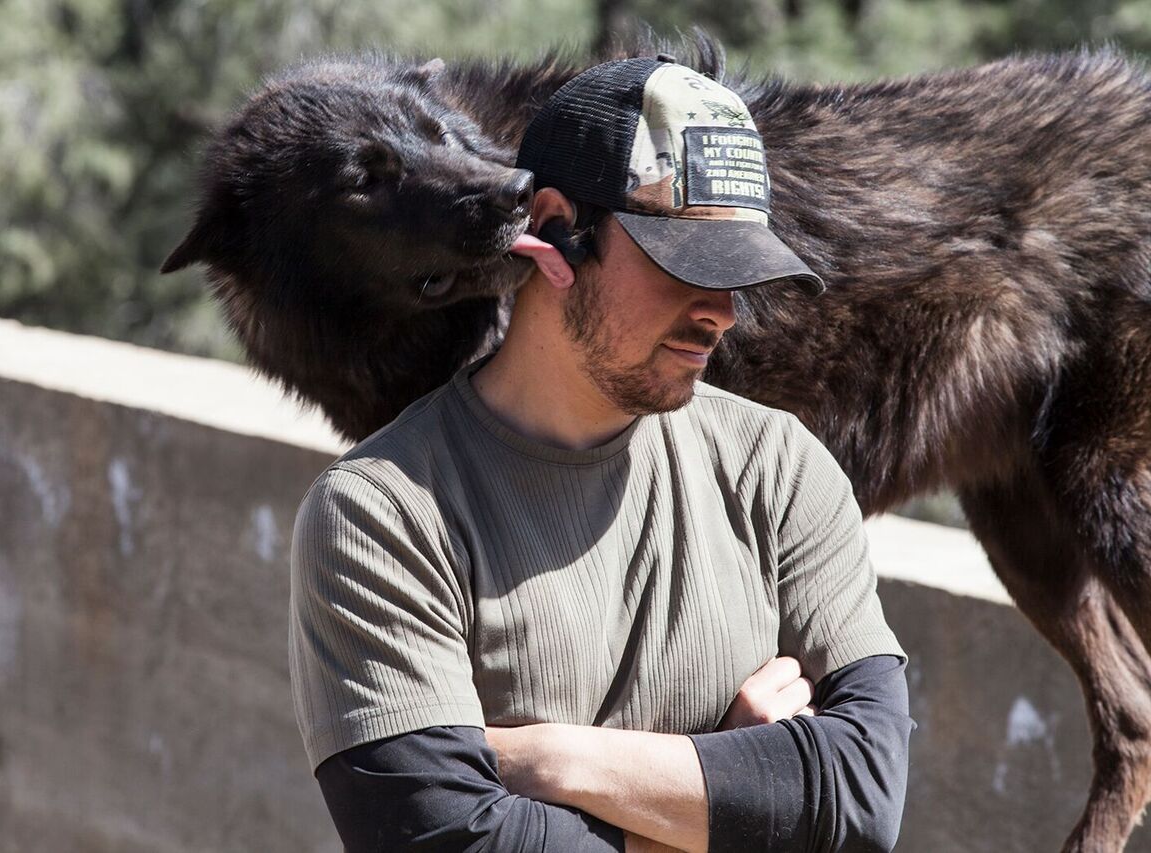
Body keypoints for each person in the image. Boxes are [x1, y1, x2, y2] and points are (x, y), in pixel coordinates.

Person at [289, 55, 913, 853]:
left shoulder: (777, 468)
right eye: (685, 265)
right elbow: (447, 839)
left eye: (739, 274)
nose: (721, 314)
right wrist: (731, 795)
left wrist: (550, 758)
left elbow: (862, 799)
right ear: (552, 225)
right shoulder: (384, 514)